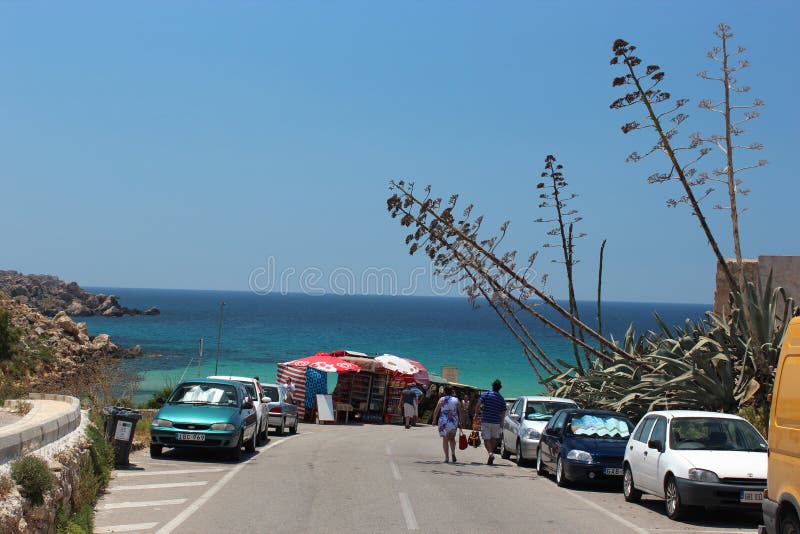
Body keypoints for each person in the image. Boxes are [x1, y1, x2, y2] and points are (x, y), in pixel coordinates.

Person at [477, 379, 506, 465]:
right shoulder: (501, 398)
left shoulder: (486, 394)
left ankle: (490, 453)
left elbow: (478, 404)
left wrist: (476, 413)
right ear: (500, 388)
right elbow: (503, 412)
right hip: (496, 421)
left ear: (492, 386)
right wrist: (502, 422)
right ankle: (491, 453)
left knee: (486, 439)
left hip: (486, 420)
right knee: (494, 439)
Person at [432, 386, 463, 463]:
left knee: (445, 439)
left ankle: (446, 457)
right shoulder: (456, 400)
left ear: (445, 392)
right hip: (453, 421)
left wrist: (434, 419)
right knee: (452, 438)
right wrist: (460, 421)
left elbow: (436, 410)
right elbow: (460, 411)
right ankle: (453, 453)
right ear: (452, 392)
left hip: (444, 421)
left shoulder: (441, 399)